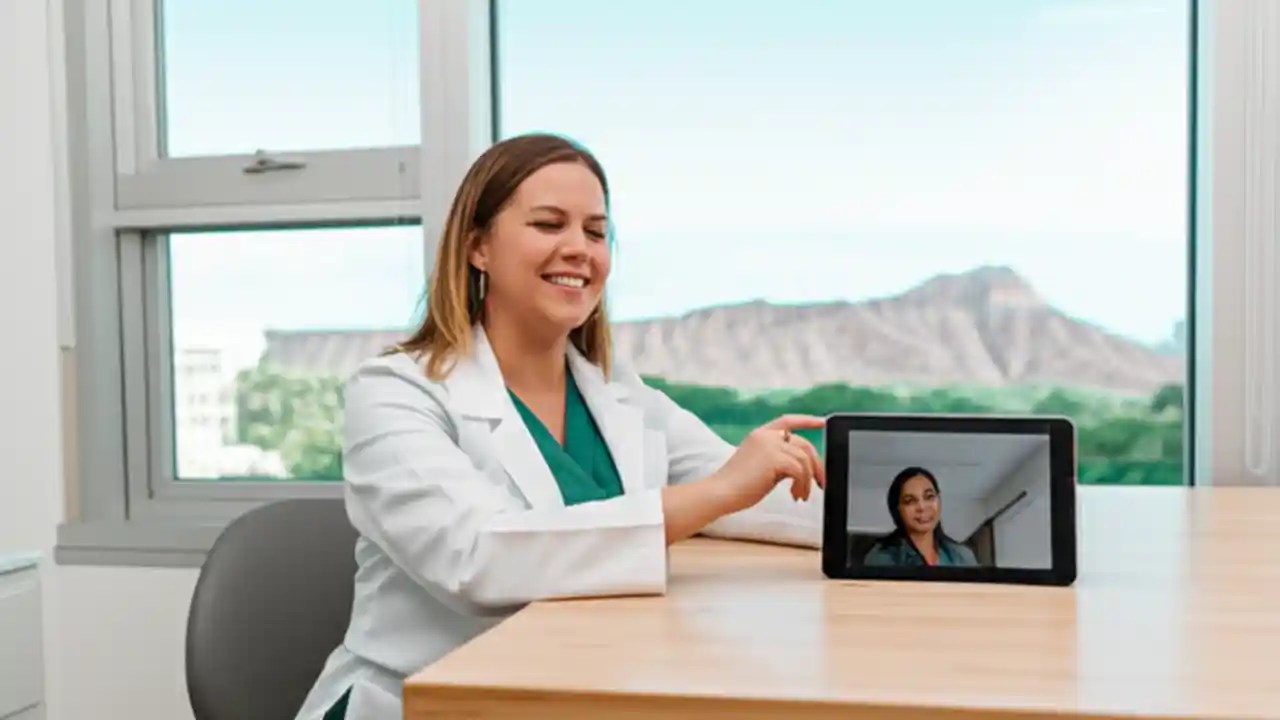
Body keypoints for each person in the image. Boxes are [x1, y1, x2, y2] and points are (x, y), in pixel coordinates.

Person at [295, 133, 828, 720]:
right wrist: (717, 492)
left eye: (596, 233)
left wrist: (902, 529)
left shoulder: (621, 398)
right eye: (549, 225)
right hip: (421, 703)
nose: (580, 249)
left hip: (572, 695)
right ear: (478, 248)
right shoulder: (397, 393)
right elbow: (478, 558)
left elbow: (758, 500)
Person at [861, 466, 978, 568]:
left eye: (929, 497)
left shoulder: (962, 556)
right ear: (897, 510)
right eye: (910, 501)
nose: (922, 507)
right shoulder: (882, 558)